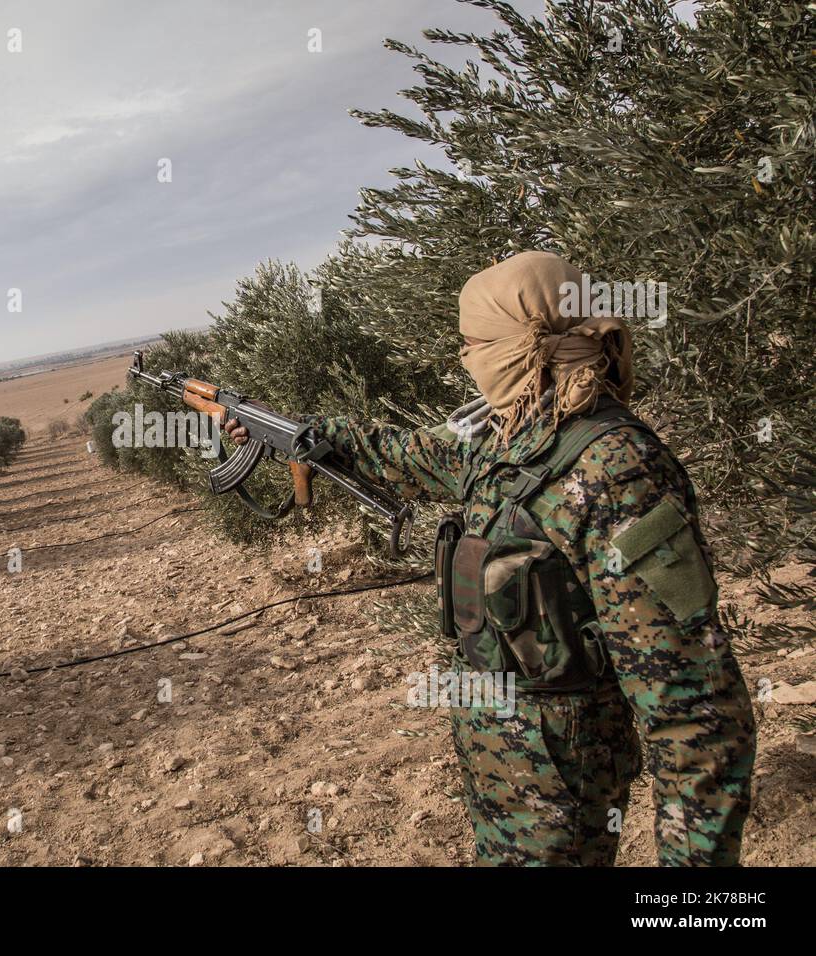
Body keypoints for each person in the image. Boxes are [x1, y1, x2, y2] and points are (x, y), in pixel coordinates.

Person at [224, 251, 756, 866]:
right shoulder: (519, 440)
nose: (465, 359)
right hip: (510, 774)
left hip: (563, 782)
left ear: (521, 346)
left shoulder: (615, 469)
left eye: (474, 343)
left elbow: (697, 713)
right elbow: (415, 456)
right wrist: (304, 434)